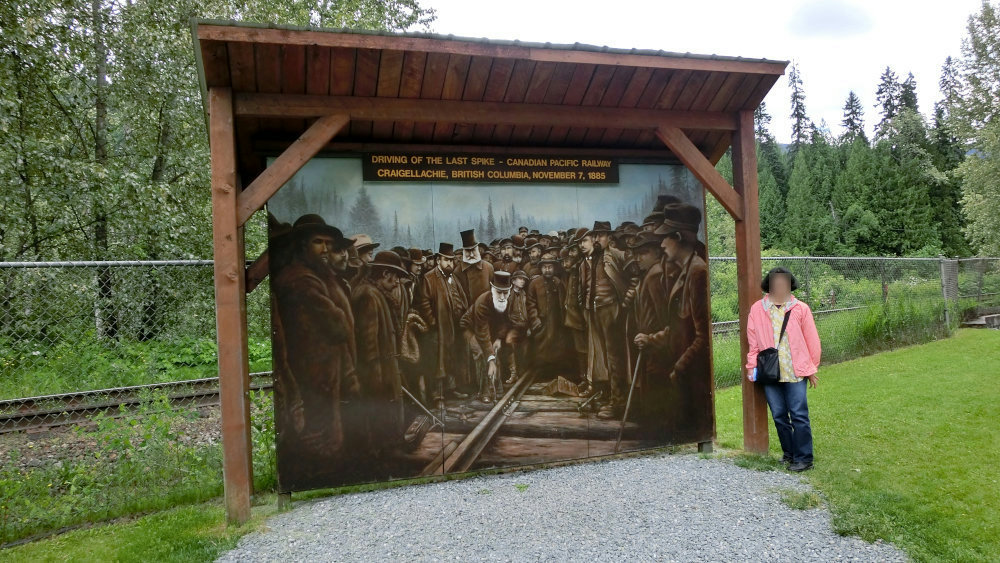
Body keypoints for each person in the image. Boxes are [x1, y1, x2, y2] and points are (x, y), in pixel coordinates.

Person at [745, 267, 822, 472]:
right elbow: (753, 343)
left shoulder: (801, 309)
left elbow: (812, 340)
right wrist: (752, 367)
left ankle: (804, 458)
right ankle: (789, 454)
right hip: (770, 371)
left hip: (796, 371)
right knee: (779, 415)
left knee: (798, 414)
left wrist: (811, 368)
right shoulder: (757, 309)